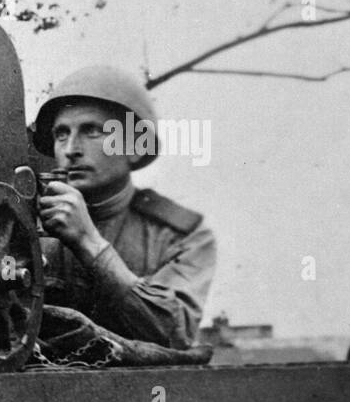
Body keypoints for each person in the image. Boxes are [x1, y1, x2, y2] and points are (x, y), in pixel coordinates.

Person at [32, 66, 216, 350]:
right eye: (61, 134)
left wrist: (88, 242)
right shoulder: (27, 226)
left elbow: (172, 334)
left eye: (92, 131)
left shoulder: (180, 235)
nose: (71, 149)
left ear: (136, 146)